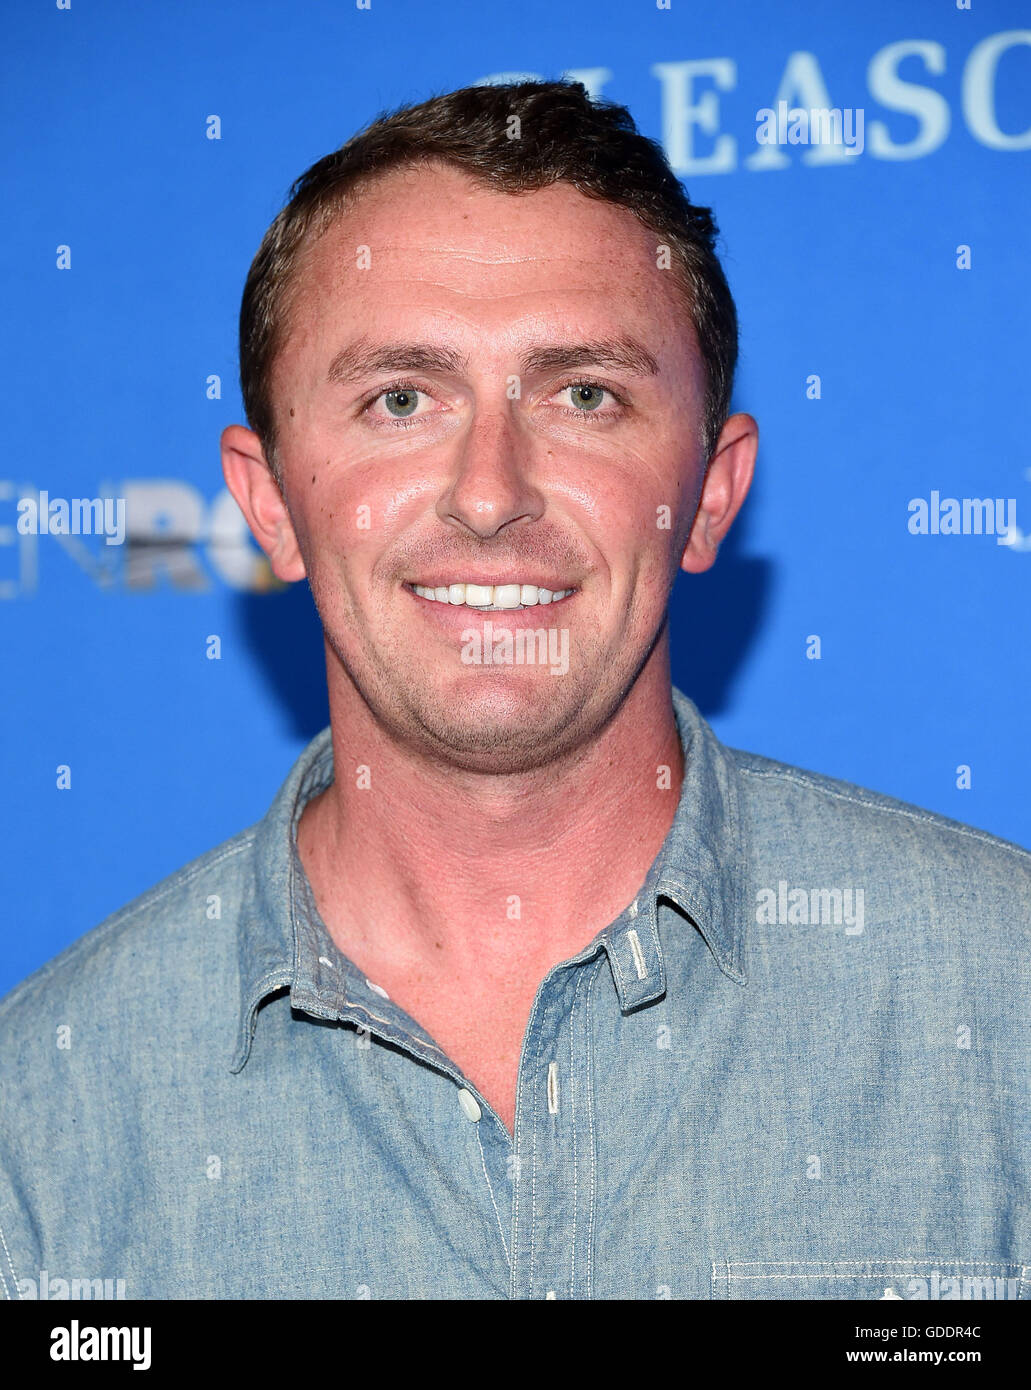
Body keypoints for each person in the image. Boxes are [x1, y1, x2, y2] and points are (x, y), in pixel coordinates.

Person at [2, 80, 1028, 1303]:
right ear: (269, 501)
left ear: (710, 491)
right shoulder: (43, 1127)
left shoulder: (998, 998)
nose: (490, 493)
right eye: (400, 399)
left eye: (583, 394)